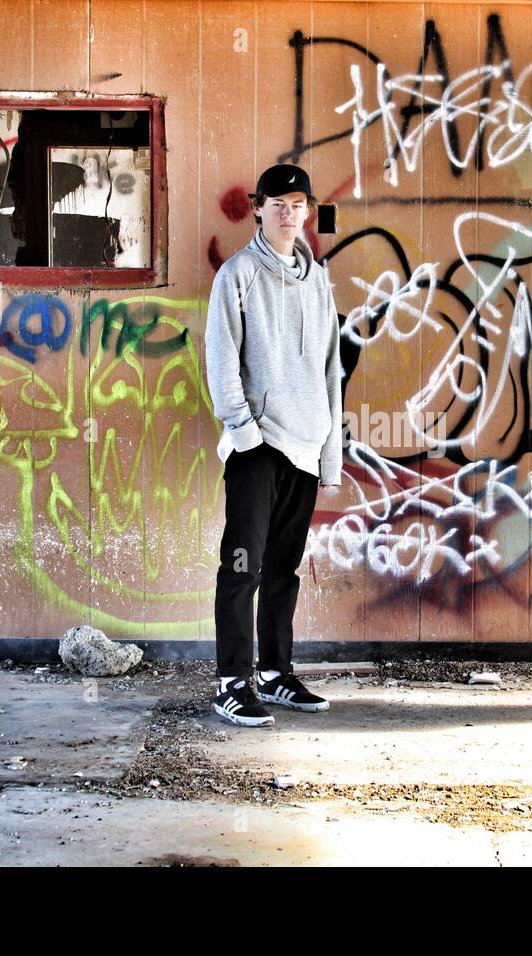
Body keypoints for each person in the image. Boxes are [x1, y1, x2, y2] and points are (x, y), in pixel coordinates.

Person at [204, 163, 343, 727]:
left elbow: (333, 369)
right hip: (258, 445)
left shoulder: (319, 281)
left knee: (284, 568)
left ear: (308, 211)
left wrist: (329, 453)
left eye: (298, 205)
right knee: (242, 566)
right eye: (277, 204)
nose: (289, 214)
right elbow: (221, 357)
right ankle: (232, 682)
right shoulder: (236, 275)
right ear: (257, 208)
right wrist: (245, 432)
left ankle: (274, 672)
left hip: (307, 446)